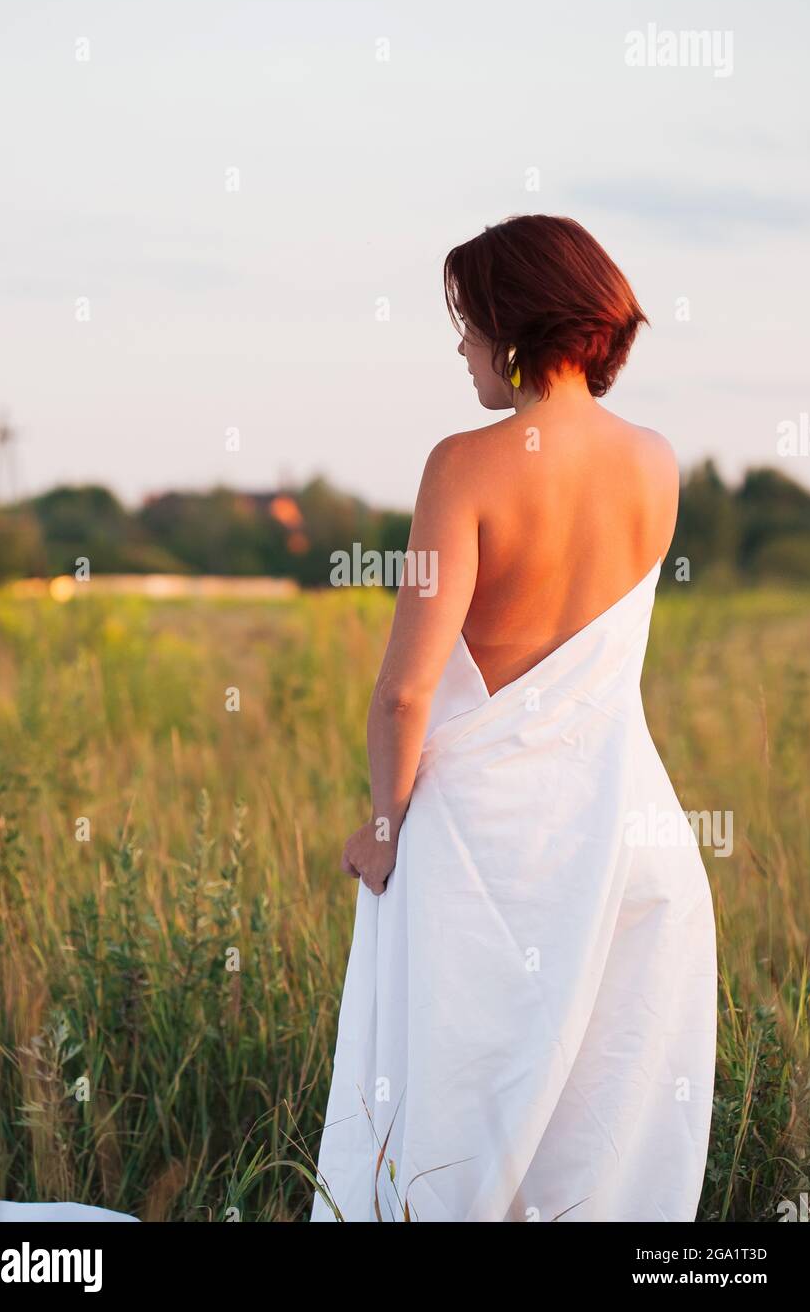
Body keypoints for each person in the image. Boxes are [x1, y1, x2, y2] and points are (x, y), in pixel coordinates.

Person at [311, 215, 717, 1223]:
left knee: (443, 1149)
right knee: (589, 1150)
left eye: (466, 320)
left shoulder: (464, 465)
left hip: (484, 860)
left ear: (515, 322)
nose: (459, 346)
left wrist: (383, 824)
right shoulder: (654, 462)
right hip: (627, 845)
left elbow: (404, 690)